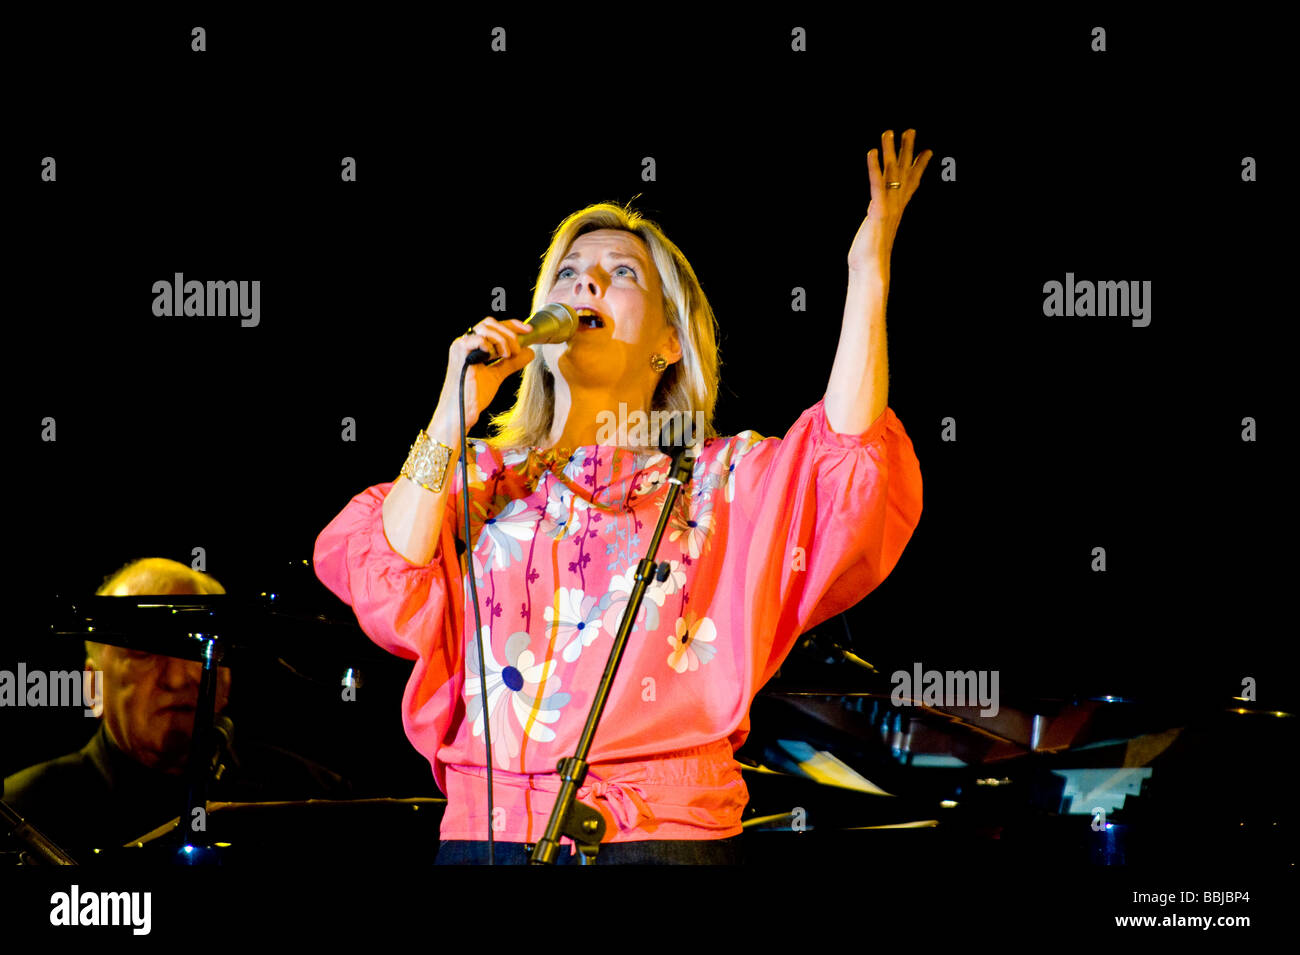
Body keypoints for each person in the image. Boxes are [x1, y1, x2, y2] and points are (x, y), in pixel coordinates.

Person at [314, 129, 931, 864]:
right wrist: (454, 412)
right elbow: (389, 574)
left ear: (669, 339)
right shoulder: (483, 475)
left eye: (620, 273)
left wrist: (868, 274)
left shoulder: (719, 480)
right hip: (492, 835)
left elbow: (845, 466)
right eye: (569, 271)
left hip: (659, 836)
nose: (587, 284)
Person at [3, 557, 349, 861]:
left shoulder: (312, 798)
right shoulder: (21, 814)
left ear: (226, 678)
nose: (179, 677)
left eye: (197, 650)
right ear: (93, 686)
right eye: (144, 651)